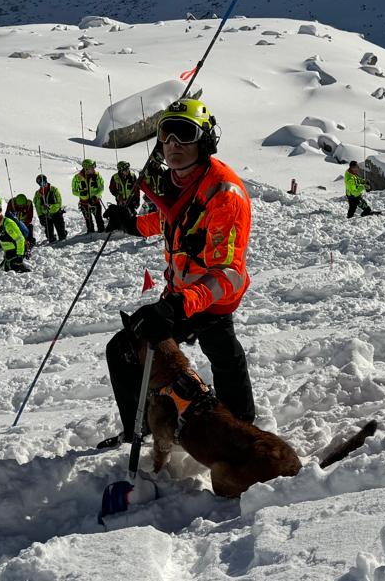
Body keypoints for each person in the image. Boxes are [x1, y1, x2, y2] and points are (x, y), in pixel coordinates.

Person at [105, 97, 255, 444]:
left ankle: (242, 429)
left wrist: (176, 306)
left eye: (184, 135)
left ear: (205, 141)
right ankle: (136, 430)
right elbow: (171, 220)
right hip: (180, 295)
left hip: (210, 299)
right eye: (166, 136)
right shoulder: (180, 180)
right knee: (124, 351)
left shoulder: (224, 193)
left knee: (223, 353)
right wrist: (132, 224)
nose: (173, 145)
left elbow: (228, 273)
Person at [0, 205, 30, 273]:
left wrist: (19, 256)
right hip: (9, 254)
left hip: (16, 253)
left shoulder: (7, 223)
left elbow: (20, 239)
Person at [72, 158, 106, 233]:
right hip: (84, 203)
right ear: (86, 168)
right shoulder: (77, 178)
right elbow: (74, 191)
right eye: (92, 168)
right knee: (88, 219)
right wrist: (80, 193)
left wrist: (97, 196)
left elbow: (101, 188)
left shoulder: (97, 176)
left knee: (98, 218)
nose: (94, 169)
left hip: (95, 201)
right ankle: (90, 231)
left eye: (94, 167)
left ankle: (101, 231)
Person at [106, 160, 139, 231]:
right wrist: (118, 196)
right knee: (122, 214)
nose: (127, 171)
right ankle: (122, 227)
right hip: (121, 200)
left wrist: (137, 199)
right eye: (125, 170)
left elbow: (137, 189)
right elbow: (112, 188)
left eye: (128, 169)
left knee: (132, 213)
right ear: (121, 170)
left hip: (131, 199)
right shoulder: (115, 177)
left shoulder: (133, 176)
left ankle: (134, 228)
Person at [34, 174, 67, 243]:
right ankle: (52, 237)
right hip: (46, 215)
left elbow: (59, 202)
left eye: (44, 182)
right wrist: (40, 216)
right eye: (41, 183)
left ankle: (63, 233)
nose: (43, 184)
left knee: (62, 236)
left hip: (56, 213)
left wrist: (50, 207)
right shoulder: (37, 194)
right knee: (50, 238)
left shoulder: (54, 190)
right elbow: (37, 207)